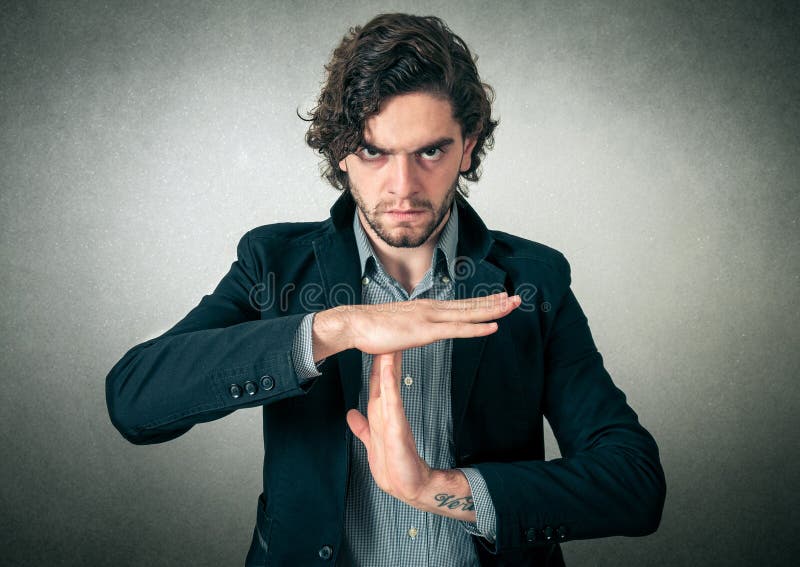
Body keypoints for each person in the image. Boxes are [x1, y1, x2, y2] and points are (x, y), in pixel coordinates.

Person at [105, 13, 666, 566]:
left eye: (430, 151)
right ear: (342, 152)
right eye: (374, 152)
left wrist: (435, 488)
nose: (403, 187)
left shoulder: (534, 279)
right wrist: (334, 329)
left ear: (467, 147)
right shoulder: (272, 262)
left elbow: (634, 483)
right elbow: (135, 401)